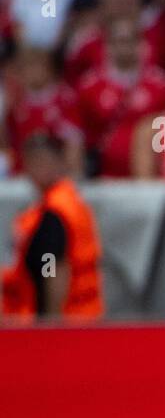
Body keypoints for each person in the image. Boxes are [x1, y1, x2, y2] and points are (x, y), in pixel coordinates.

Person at [2, 132, 103, 320]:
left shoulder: (56, 212)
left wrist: (51, 320)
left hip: (68, 319)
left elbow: (53, 264)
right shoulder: (60, 203)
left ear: (58, 163)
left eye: (42, 161)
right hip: (78, 316)